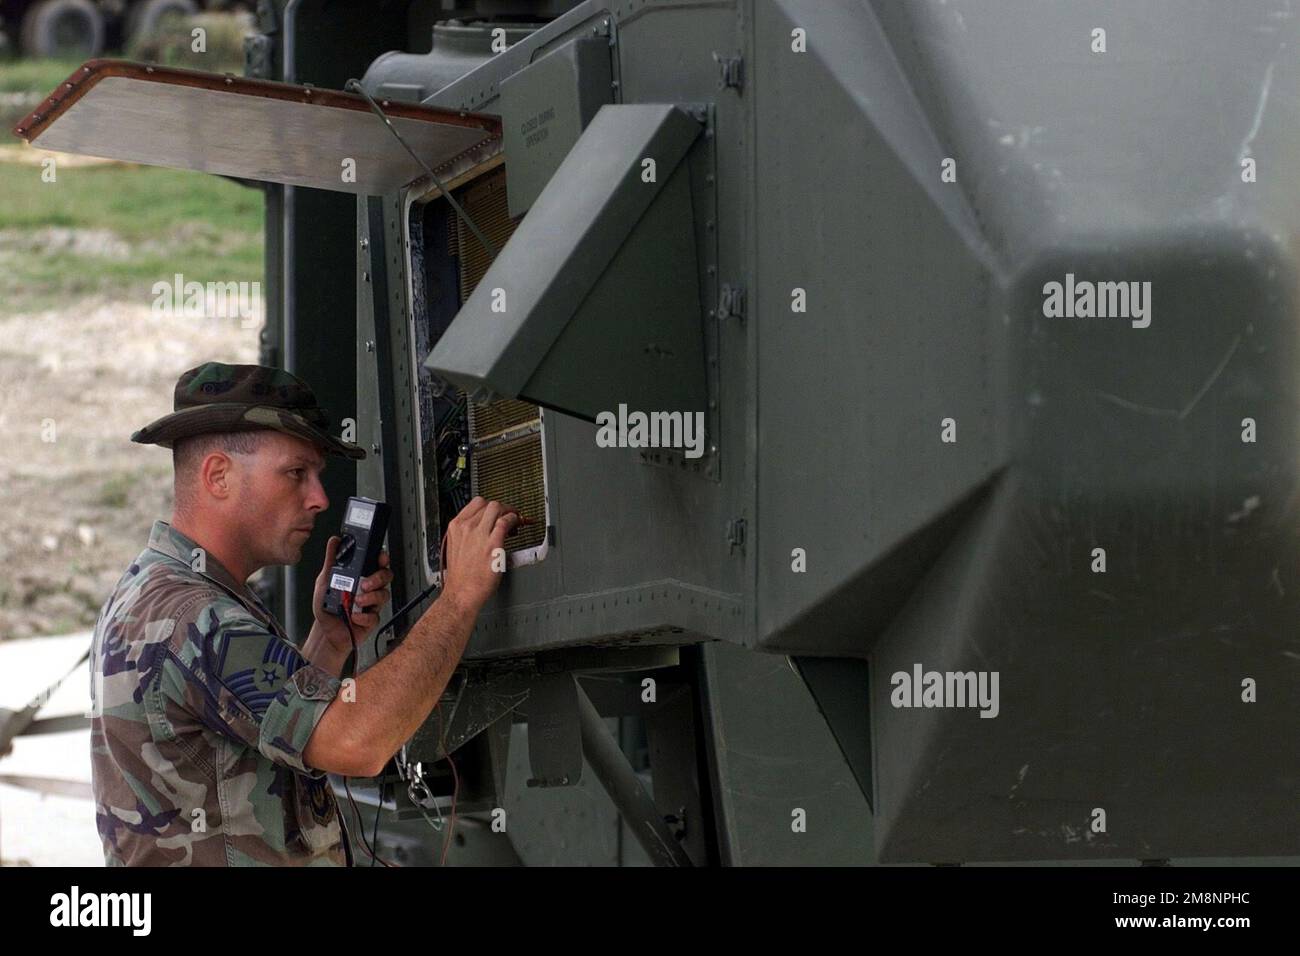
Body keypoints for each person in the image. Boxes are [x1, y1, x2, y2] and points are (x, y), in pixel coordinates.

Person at [89, 361, 518, 865]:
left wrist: (331, 639)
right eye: (296, 473)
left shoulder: (160, 586)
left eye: (316, 475)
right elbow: (356, 743)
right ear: (218, 476)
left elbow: (268, 728)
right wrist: (459, 600)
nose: (319, 498)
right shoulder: (197, 617)